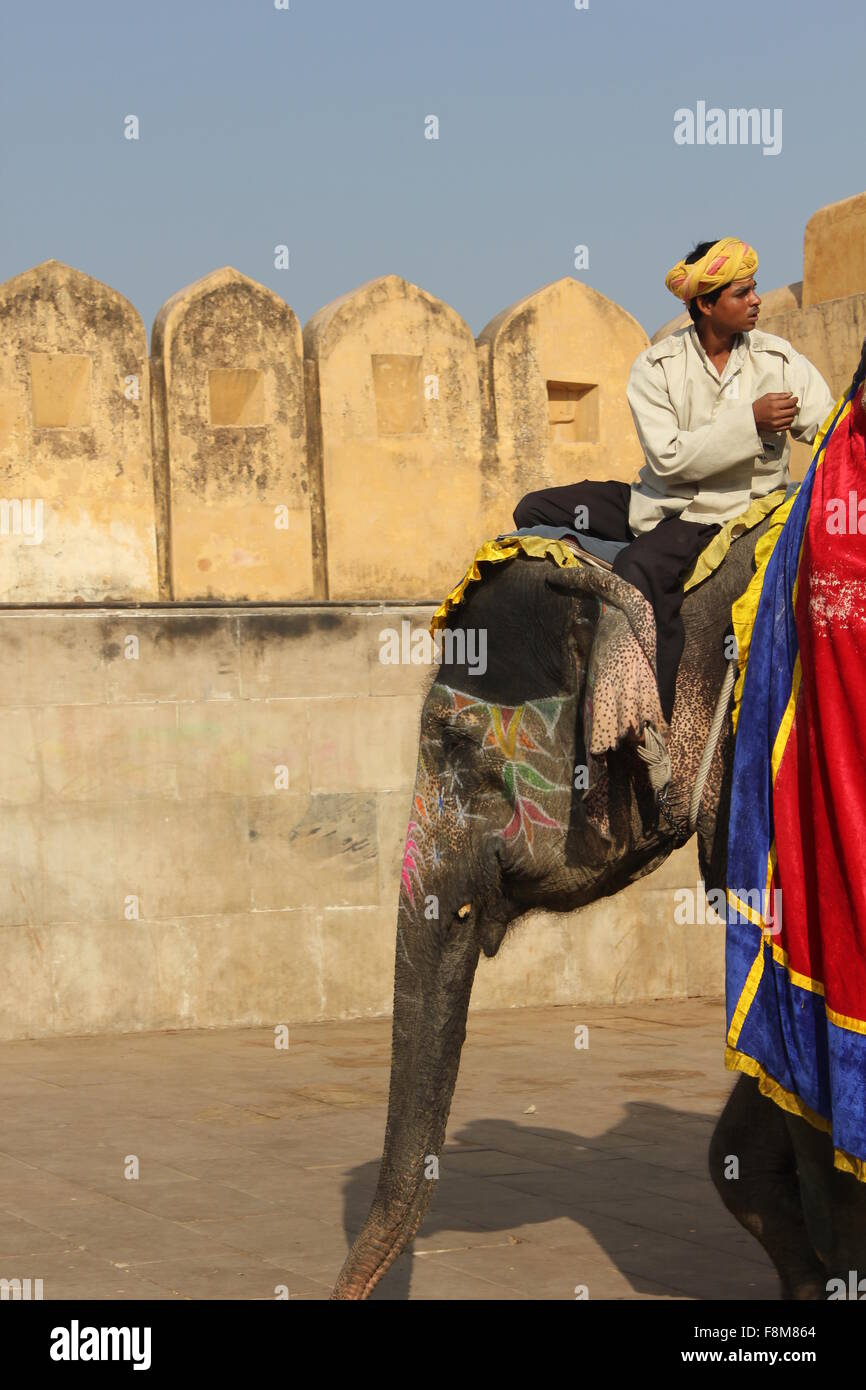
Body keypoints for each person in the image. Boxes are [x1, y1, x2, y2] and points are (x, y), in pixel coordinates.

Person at [512, 236, 835, 742]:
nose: (756, 301)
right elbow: (669, 458)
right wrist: (749, 421)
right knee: (532, 509)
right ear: (705, 305)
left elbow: (829, 430)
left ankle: (653, 719)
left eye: (754, 290)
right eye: (742, 293)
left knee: (641, 566)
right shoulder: (657, 367)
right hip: (661, 496)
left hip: (720, 513)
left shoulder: (780, 361)